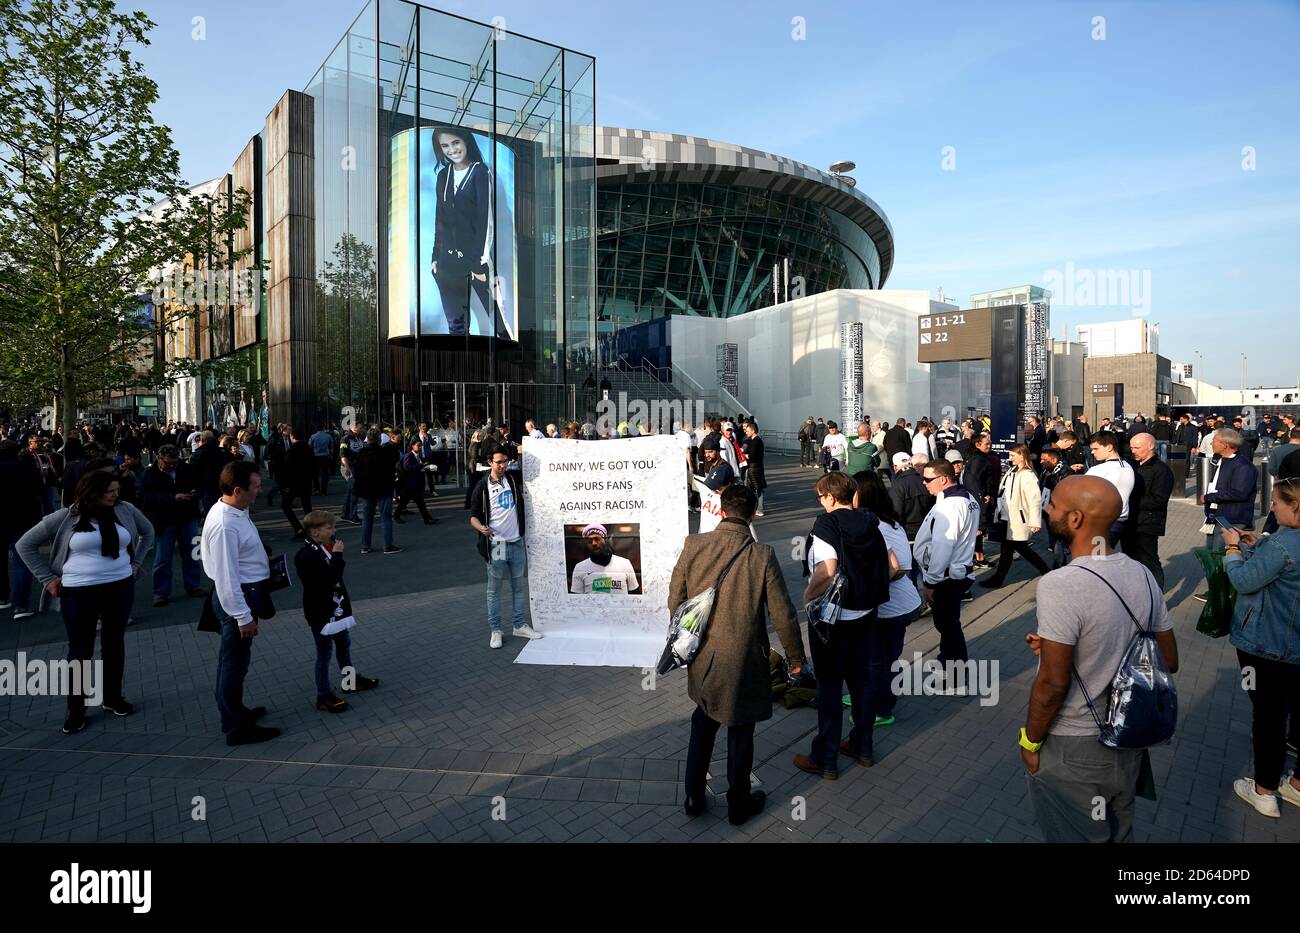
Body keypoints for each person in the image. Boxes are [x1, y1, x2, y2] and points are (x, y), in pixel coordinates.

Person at [1020, 475, 1178, 842]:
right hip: (1127, 738)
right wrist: (1060, 646)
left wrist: (1030, 741)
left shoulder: (1060, 584)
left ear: (1075, 519)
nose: (1047, 509)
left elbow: (1053, 684)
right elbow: (1168, 660)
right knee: (1118, 833)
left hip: (1075, 744)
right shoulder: (1141, 573)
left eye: (1054, 505)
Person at [672, 485, 805, 824]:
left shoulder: (694, 544)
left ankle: (692, 797)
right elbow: (783, 615)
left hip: (703, 656)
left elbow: (675, 601)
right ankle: (737, 804)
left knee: (703, 721)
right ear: (752, 513)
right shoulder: (761, 555)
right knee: (741, 730)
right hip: (745, 657)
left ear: (720, 508)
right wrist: (796, 659)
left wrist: (690, 636)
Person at [16, 471, 155, 734]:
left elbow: (148, 533)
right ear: (93, 492)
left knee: (114, 644)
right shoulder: (67, 516)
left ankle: (113, 698)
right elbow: (25, 544)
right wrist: (47, 579)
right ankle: (76, 709)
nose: (116, 495)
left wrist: (136, 564)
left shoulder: (125, 510)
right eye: (110, 491)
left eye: (117, 490)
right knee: (80, 651)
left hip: (119, 586)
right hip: (79, 591)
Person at [792, 472, 891, 779]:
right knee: (861, 682)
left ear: (831, 498)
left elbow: (827, 569)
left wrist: (808, 596)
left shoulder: (827, 524)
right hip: (865, 614)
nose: (820, 502)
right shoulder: (870, 522)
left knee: (830, 687)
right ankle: (863, 746)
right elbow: (889, 565)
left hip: (833, 620)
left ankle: (826, 757)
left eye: (821, 497)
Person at [1221, 479, 1300, 817]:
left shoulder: (1284, 545)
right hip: (1294, 643)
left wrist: (1233, 551)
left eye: (1278, 503)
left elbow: (1243, 580)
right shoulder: (1279, 544)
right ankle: (1297, 785)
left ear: (1295, 507)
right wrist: (1256, 547)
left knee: (1268, 715)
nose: (1272, 508)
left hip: (1266, 643)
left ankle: (1264, 789)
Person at [201, 461, 280, 746]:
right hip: (238, 599)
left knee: (236, 660)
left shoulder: (235, 509)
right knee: (233, 662)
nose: (260, 490)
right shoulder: (224, 523)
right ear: (238, 490)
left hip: (247, 593)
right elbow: (226, 575)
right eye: (256, 486)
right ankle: (235, 726)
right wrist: (242, 615)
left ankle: (235, 710)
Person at [853, 470, 922, 728]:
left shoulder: (878, 526)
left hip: (891, 608)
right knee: (875, 658)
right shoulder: (888, 521)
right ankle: (868, 696)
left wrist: (866, 585)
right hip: (896, 605)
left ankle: (882, 708)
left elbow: (900, 566)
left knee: (880, 661)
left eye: (853, 492)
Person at [294, 510, 379, 714]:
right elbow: (328, 579)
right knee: (324, 653)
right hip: (321, 612)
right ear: (315, 532)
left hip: (336, 608)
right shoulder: (307, 555)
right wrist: (338, 556)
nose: (334, 530)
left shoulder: (323, 547)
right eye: (329, 527)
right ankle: (323, 695)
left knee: (343, 644)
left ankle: (350, 681)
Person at [429, 126, 507, 337]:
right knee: (456, 329)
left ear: (465, 142)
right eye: (445, 145)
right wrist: (435, 256)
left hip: (475, 262)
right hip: (447, 263)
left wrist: (478, 263)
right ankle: (461, 369)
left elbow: (486, 220)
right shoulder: (443, 176)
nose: (451, 149)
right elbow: (440, 220)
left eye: (455, 143)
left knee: (498, 323)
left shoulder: (480, 172)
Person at [913, 458, 981, 672]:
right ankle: (948, 662)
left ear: (943, 479)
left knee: (948, 626)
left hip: (947, 577)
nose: (924, 483)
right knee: (949, 625)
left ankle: (955, 674)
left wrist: (930, 582)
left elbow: (943, 546)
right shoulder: (966, 497)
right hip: (955, 573)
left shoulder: (951, 506)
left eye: (927, 479)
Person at [469, 449, 540, 648]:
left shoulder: (511, 479)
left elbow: (532, 472)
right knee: (494, 589)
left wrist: (526, 450)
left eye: (505, 462)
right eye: (499, 462)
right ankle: (496, 630)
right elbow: (473, 516)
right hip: (496, 544)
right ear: (490, 462)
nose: (502, 466)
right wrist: (480, 528)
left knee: (518, 587)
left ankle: (519, 625)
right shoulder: (482, 486)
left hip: (516, 542)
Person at [137, 444, 205, 607]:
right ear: (159, 459)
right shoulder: (148, 474)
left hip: (187, 517)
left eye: (174, 462)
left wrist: (194, 494)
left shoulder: (185, 469)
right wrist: (172, 497)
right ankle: (160, 592)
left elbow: (200, 486)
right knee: (162, 558)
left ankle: (193, 586)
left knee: (192, 555)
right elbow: (143, 496)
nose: (171, 466)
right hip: (163, 520)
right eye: (168, 463)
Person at [979, 444, 1051, 589]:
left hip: (1017, 518)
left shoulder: (1027, 474)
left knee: (1017, 548)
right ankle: (998, 579)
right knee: (1011, 549)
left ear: (1021, 456)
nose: (1009, 458)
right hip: (1008, 517)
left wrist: (1035, 521)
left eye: (1012, 455)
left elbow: (1034, 499)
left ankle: (1046, 572)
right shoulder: (1013, 470)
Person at [1121, 433, 1175, 588]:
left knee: (1149, 561)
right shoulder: (1133, 466)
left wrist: (1129, 501)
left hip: (1147, 523)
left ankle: (1157, 597)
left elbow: (1159, 500)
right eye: (1131, 447)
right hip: (1130, 522)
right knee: (1130, 561)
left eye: (1137, 447)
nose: (1133, 451)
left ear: (1151, 446)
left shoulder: (1161, 470)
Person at [0, 440, 44, 621]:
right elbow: (40, 490)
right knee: (22, 560)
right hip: (23, 518)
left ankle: (2, 597)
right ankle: (20, 605)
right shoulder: (27, 467)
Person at [1203, 428, 1258, 551]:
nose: (1211, 443)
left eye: (1214, 441)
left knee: (1223, 555)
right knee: (1211, 553)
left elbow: (1239, 493)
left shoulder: (1243, 466)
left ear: (1225, 445)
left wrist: (1208, 497)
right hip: (1216, 515)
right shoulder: (1222, 460)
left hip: (1232, 519)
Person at [352, 430, 402, 555]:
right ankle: (387, 545)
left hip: (367, 489)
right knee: (385, 517)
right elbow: (394, 464)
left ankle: (365, 545)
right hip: (384, 488)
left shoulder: (361, 453)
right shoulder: (385, 452)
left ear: (367, 439)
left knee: (367, 518)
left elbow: (356, 473)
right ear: (379, 439)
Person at [1085, 431, 1135, 544]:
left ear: (1109, 447)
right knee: (1103, 556)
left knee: (1096, 558)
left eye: (1096, 448)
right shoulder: (1128, 467)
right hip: (1120, 521)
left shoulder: (1098, 470)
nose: (1092, 452)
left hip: (1100, 523)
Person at [569, 523, 640, 594]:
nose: (594, 543)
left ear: (605, 540)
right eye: (589, 541)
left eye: (597, 539)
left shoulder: (625, 563)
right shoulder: (580, 568)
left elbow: (635, 595)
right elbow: (576, 600)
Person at [962, 433, 998, 567]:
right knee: (979, 529)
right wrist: (983, 496)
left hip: (977, 497)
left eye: (990, 443)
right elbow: (974, 482)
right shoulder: (979, 460)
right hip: (978, 499)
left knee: (978, 529)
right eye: (987, 444)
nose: (990, 445)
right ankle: (979, 557)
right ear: (978, 445)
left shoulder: (977, 457)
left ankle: (977, 556)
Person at [1037, 448, 1070, 569]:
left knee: (1058, 539)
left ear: (1054, 460)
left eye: (1044, 459)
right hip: (1046, 509)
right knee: (1053, 538)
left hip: (1058, 511)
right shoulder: (1046, 470)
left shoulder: (1065, 472)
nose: (1041, 461)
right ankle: (1060, 560)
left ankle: (1059, 564)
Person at [394, 438, 438, 525]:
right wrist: (422, 465)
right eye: (418, 445)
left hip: (416, 483)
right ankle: (396, 516)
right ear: (412, 446)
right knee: (404, 502)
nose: (420, 447)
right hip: (410, 484)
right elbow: (408, 468)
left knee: (420, 502)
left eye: (421, 445)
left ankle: (427, 519)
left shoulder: (418, 456)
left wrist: (427, 468)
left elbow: (419, 467)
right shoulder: (409, 455)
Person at [189, 430, 226, 515]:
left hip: (205, 485)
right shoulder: (221, 452)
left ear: (202, 440)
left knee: (208, 509)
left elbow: (192, 470)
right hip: (220, 483)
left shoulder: (198, 454)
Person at [338, 423, 367, 525]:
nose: (361, 429)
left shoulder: (358, 437)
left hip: (355, 468)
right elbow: (343, 453)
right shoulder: (346, 439)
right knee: (354, 492)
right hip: (349, 468)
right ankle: (352, 515)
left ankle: (346, 514)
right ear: (354, 428)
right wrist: (346, 467)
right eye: (360, 427)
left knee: (351, 492)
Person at [740, 421, 768, 516]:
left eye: (747, 431)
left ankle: (759, 509)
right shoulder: (756, 440)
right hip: (756, 467)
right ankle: (755, 507)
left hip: (754, 467)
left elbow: (753, 456)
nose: (746, 432)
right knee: (754, 488)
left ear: (753, 430)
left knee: (757, 488)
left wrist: (743, 455)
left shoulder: (755, 441)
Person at [308, 423, 334, 495]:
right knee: (325, 473)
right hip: (325, 456)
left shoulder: (313, 436)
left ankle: (316, 489)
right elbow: (331, 447)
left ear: (316, 428)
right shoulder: (328, 436)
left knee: (315, 474)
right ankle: (324, 490)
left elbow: (310, 447)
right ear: (323, 428)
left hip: (315, 457)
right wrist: (331, 456)